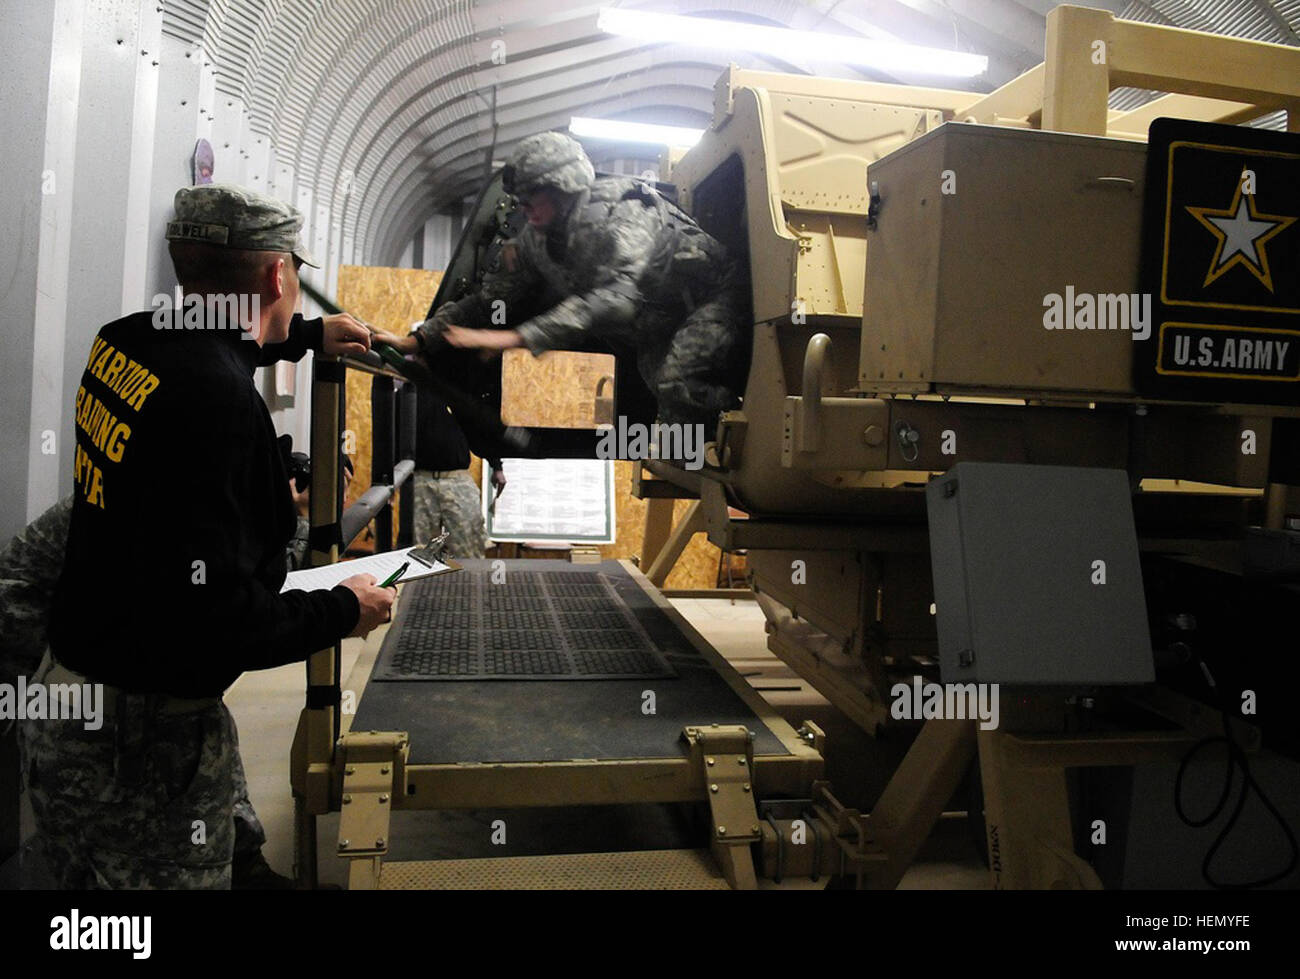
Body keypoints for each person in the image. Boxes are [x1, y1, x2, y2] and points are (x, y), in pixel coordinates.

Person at [20, 183, 396, 890]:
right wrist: (346, 608)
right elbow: (225, 624)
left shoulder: (126, 339)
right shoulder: (218, 400)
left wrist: (313, 335)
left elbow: (210, 355)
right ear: (278, 275)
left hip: (70, 696)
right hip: (141, 743)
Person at [382, 131, 750, 437]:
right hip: (662, 323)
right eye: (521, 198)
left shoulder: (623, 214)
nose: (525, 206)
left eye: (534, 195)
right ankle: (713, 440)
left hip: (714, 296)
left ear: (564, 186)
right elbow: (490, 300)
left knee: (676, 384)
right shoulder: (535, 241)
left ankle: (743, 433)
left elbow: (615, 299)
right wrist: (419, 339)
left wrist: (518, 337)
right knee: (667, 403)